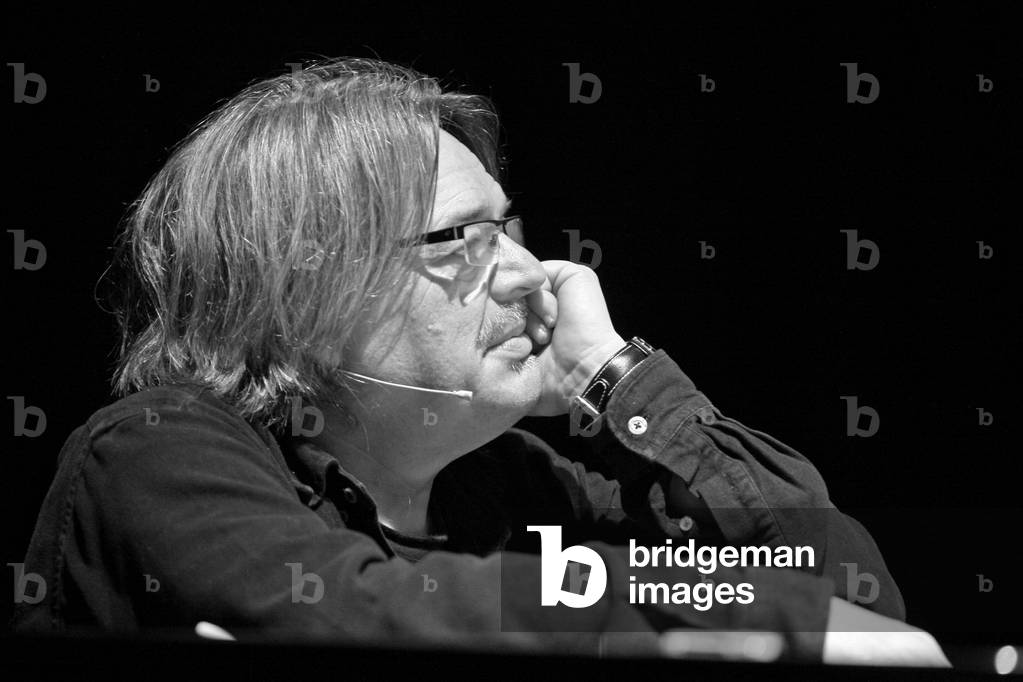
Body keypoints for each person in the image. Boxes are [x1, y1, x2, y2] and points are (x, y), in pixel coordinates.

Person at [11, 58, 947, 667]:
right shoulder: (157, 450)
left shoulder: (524, 485)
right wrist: (733, 614)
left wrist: (617, 379)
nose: (531, 273)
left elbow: (848, 602)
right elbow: (353, 611)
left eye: (508, 229)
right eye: (460, 239)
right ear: (301, 288)